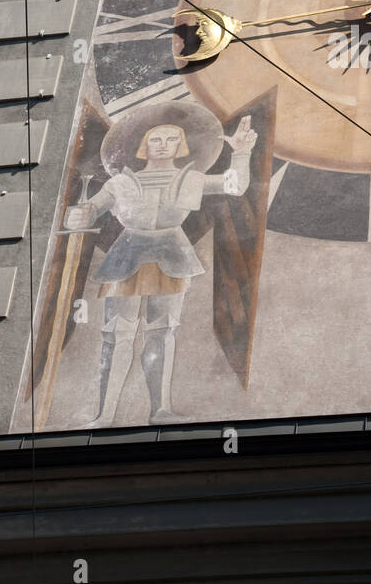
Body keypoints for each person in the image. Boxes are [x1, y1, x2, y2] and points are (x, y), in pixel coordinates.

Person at [65, 116, 257, 426]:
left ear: (180, 146)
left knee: (163, 330)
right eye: (156, 139)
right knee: (117, 333)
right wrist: (80, 215)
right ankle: (105, 415)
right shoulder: (121, 183)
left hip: (172, 252)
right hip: (127, 253)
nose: (163, 144)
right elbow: (92, 209)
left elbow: (234, 185)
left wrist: (242, 152)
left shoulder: (190, 178)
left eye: (171, 139)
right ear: (143, 147)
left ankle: (161, 411)